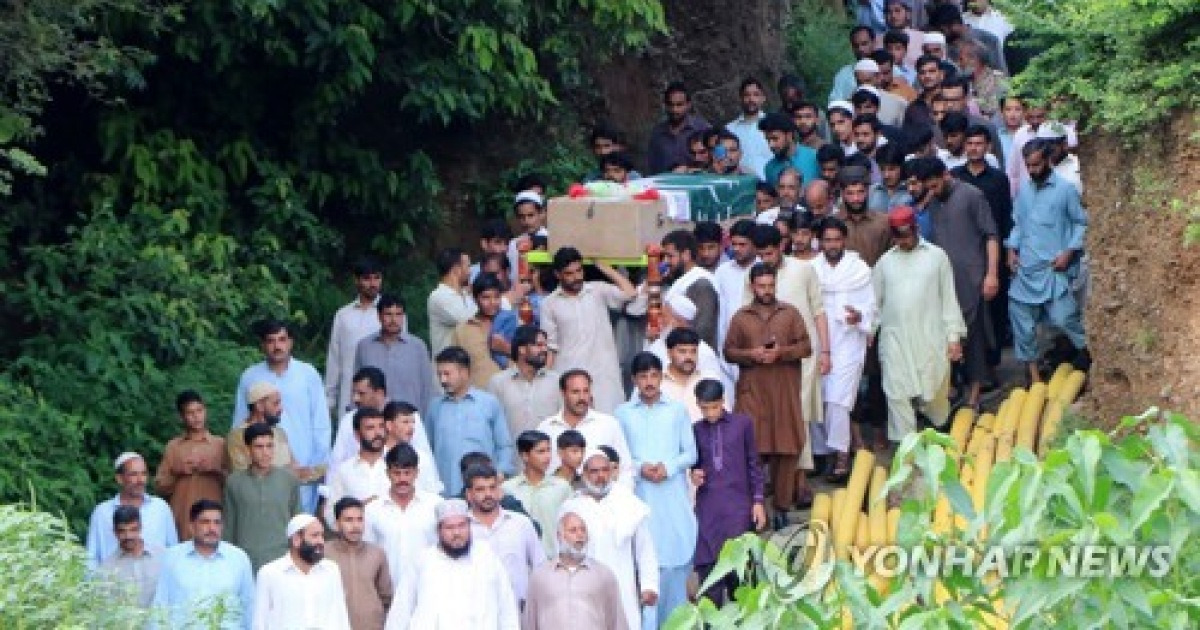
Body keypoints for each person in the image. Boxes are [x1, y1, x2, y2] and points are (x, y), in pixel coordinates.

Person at [724, 264, 812, 527]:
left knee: (786, 450)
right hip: (753, 393)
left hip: (784, 393)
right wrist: (751, 355)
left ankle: (782, 508)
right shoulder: (741, 317)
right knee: (752, 451)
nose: (766, 291)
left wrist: (781, 353)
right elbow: (728, 351)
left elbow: (806, 346)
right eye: (761, 286)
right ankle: (754, 508)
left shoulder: (790, 313)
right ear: (752, 286)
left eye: (770, 285)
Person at [615, 352, 697, 627]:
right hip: (640, 494)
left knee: (675, 561)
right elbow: (620, 456)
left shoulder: (677, 411)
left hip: (672, 495)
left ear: (661, 377)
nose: (649, 382)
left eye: (653, 375)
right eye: (643, 376)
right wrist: (640, 467)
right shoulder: (622, 414)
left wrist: (668, 467)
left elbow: (691, 453)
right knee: (644, 565)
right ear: (634, 380)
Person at [912, 157, 1000, 409]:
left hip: (972, 280)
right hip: (943, 283)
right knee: (947, 338)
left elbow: (991, 235)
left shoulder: (972, 196)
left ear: (946, 175)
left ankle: (974, 397)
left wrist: (991, 274)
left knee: (975, 339)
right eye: (927, 187)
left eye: (934, 185)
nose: (931, 191)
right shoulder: (933, 203)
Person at [873, 207, 967, 442]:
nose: (903, 241)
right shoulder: (884, 263)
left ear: (916, 229)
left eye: (906, 235)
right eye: (898, 237)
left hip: (930, 339)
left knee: (934, 395)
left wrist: (953, 337)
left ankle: (939, 433)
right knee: (897, 394)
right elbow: (873, 305)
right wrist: (866, 329)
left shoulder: (937, 257)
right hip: (895, 341)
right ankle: (905, 454)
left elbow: (948, 299)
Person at [1006, 141, 1091, 383]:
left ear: (1047, 161)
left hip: (1054, 269)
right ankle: (1034, 379)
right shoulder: (1024, 190)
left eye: (1036, 164)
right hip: (1026, 270)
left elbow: (1081, 223)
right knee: (1023, 326)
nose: (1032, 170)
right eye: (1028, 165)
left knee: (1066, 318)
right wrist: (1011, 248)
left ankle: (1092, 360)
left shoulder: (1065, 189)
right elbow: (1019, 225)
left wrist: (1068, 252)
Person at [230, 319, 329, 512]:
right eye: (271, 341)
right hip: (259, 470)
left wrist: (316, 465)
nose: (277, 346)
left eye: (282, 339)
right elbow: (240, 422)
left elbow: (321, 423)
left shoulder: (307, 374)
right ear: (263, 345)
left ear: (291, 342)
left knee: (300, 526)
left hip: (302, 463)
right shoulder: (250, 376)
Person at [559, 450, 658, 630]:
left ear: (612, 473)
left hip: (622, 586)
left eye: (605, 470)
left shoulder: (629, 504)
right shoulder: (571, 507)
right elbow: (562, 552)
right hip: (582, 587)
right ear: (584, 474)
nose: (601, 476)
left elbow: (645, 550)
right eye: (594, 471)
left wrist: (649, 586)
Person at [385, 499, 519, 630]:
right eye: (449, 527)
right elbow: (401, 610)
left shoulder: (487, 558)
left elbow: (506, 607)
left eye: (462, 525)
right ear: (438, 531)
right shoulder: (422, 561)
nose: (457, 533)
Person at [690, 379, 766, 605]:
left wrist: (759, 501)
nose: (710, 413)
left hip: (739, 508)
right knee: (709, 571)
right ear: (698, 405)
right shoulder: (696, 430)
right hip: (709, 508)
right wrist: (693, 474)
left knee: (741, 572)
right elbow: (694, 465)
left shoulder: (742, 424)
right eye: (705, 408)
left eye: (714, 407)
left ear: (723, 402)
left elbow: (754, 463)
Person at [811, 218, 877, 477]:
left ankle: (841, 454)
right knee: (819, 399)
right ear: (820, 242)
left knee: (838, 400)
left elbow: (871, 306)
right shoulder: (812, 269)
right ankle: (822, 453)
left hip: (849, 342)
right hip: (819, 341)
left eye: (837, 239)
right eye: (827, 240)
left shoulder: (859, 269)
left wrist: (859, 317)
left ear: (844, 241)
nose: (832, 245)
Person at [540, 247, 637, 413]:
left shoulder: (597, 290)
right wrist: (547, 380)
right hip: (570, 376)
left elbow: (630, 293)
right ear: (558, 274)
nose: (576, 277)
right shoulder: (550, 303)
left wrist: (603, 266)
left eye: (579, 271)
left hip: (604, 377)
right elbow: (550, 346)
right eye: (569, 273)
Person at [953, 125, 1015, 364]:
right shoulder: (955, 177)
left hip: (993, 250)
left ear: (988, 147)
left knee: (995, 306)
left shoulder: (999, 179)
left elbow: (1006, 216)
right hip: (965, 251)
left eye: (979, 144)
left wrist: (1008, 250)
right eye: (969, 144)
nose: (974, 148)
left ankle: (993, 360)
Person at [153, 499, 255, 630]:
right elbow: (160, 605)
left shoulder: (239, 558)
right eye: (205, 522)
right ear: (192, 526)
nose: (212, 528)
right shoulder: (172, 557)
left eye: (217, 523)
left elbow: (250, 606)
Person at [427, 346, 514, 496]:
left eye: (447, 374)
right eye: (439, 374)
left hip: (483, 492)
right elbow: (428, 450)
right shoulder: (435, 407)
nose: (443, 380)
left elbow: (504, 445)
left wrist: (501, 473)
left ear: (465, 372)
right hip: (446, 491)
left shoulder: (489, 403)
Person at [522, 512, 629, 630]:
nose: (580, 535)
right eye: (573, 530)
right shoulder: (540, 576)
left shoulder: (603, 575)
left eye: (583, 530)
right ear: (560, 536)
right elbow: (530, 621)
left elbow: (617, 621)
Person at [364, 443, 443, 589]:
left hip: (428, 589)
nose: (402, 479)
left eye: (407, 473)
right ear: (388, 473)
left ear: (416, 473)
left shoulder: (435, 505)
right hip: (387, 592)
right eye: (397, 473)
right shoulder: (372, 510)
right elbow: (367, 555)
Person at [223, 423, 300, 572]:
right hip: (244, 560)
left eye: (269, 446)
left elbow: (298, 523)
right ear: (248, 450)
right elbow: (229, 527)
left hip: (281, 560)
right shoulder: (234, 482)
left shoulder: (288, 479)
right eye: (259, 447)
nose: (266, 452)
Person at [464, 463, 544, 606]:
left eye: (492, 487)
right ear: (469, 494)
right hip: (475, 611)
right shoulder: (462, 528)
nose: (488, 494)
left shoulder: (521, 523)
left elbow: (541, 567)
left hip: (519, 610)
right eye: (480, 489)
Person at [253, 514, 351, 629]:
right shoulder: (269, 573)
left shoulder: (331, 570)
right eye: (315, 536)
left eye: (322, 536)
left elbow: (341, 616)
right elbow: (260, 622)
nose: (321, 541)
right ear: (296, 540)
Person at [86, 452, 177, 570]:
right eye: (133, 474)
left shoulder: (160, 508)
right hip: (114, 583)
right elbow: (91, 558)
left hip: (154, 584)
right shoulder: (102, 513)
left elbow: (173, 551)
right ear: (119, 478)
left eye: (144, 474)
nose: (140, 480)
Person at [156, 390, 227, 541]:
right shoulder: (174, 447)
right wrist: (178, 472)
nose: (196, 417)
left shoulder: (219, 444)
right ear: (182, 417)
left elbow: (233, 483)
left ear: (205, 411)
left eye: (199, 411)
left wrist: (214, 470)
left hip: (213, 515)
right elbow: (161, 486)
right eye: (190, 413)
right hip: (183, 515)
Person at [353, 294, 436, 419]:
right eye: (388, 314)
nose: (393, 319)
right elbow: (356, 388)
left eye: (398, 314)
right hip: (374, 422)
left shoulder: (418, 347)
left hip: (409, 423)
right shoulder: (364, 347)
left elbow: (427, 390)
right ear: (379, 316)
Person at [503, 431, 573, 558]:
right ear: (525, 456)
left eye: (548, 450)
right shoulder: (508, 489)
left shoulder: (561, 487)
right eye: (541, 452)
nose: (547, 457)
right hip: (520, 559)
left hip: (553, 559)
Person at [326, 498, 394, 630]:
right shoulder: (324, 554)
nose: (355, 526)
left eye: (359, 519)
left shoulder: (377, 554)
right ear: (337, 524)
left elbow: (386, 596)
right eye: (349, 520)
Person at [326, 258, 383, 415]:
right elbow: (334, 359)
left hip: (379, 397)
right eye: (367, 278)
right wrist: (329, 398)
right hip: (348, 395)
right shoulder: (343, 315)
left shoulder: (391, 314)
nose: (373, 284)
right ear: (356, 280)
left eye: (377, 277)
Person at [487, 325, 562, 440]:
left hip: (549, 455)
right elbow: (491, 425)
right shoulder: (498, 383)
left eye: (545, 345)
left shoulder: (556, 381)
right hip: (513, 456)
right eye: (539, 345)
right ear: (521, 349)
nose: (544, 350)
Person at [325, 407, 390, 526]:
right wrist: (357, 510)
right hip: (357, 542)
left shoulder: (398, 466)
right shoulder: (345, 470)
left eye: (381, 427)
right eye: (370, 428)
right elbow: (330, 515)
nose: (378, 433)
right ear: (357, 435)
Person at [660, 229, 719, 348]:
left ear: (686, 255)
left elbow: (703, 331)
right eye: (664, 256)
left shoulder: (702, 282)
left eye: (670, 256)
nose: (665, 262)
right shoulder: (680, 279)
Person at [98, 506, 162, 608]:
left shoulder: (162, 557)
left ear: (140, 528)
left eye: (133, 530)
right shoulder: (107, 568)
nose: (128, 536)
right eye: (122, 531)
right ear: (115, 532)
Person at [451, 273, 506, 388]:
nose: (492, 302)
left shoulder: (513, 324)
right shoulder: (463, 331)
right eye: (486, 297)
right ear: (475, 299)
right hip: (479, 398)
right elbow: (456, 367)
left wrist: (507, 348)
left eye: (496, 297)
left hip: (511, 396)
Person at [228, 381, 296, 472]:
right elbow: (242, 475)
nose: (281, 409)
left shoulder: (280, 432)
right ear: (259, 406)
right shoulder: (237, 436)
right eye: (276, 403)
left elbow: (294, 468)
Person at [647, 82, 711, 175]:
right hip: (667, 186)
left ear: (688, 105)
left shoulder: (702, 129)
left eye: (679, 105)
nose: (674, 110)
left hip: (697, 185)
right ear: (665, 105)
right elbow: (653, 167)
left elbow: (714, 162)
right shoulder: (657, 133)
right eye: (670, 105)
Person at [381, 401, 443, 494]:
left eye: (413, 422)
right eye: (405, 422)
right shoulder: (378, 457)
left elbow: (432, 493)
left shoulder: (422, 458)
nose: (411, 427)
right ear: (389, 425)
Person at [427, 248, 477, 357]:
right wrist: (506, 299)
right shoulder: (439, 296)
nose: (470, 271)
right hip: (447, 369)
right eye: (468, 266)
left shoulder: (465, 294)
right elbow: (470, 319)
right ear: (456, 270)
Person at [840, 167, 894, 266]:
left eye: (860, 192)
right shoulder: (834, 223)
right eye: (850, 193)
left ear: (868, 191)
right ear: (842, 194)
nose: (856, 199)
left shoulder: (884, 222)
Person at [725, 77, 772, 179]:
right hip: (739, 187)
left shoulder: (773, 126)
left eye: (756, 95)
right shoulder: (729, 129)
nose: (751, 99)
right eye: (747, 95)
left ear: (763, 98)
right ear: (740, 98)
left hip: (768, 188)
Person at [760, 112, 820, 187]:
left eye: (775, 139)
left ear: (789, 135)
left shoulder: (814, 158)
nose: (771, 145)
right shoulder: (770, 168)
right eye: (768, 140)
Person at [508, 190, 550, 287]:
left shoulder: (551, 239)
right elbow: (513, 276)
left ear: (542, 214)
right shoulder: (513, 244)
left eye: (531, 215)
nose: (526, 221)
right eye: (522, 217)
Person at [830, 26, 878, 102]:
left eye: (864, 44)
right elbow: (835, 102)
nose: (860, 49)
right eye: (856, 46)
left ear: (874, 42)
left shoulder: (888, 69)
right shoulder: (844, 74)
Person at [868, 142, 914, 213]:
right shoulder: (871, 191)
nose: (886, 175)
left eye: (891, 169)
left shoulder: (911, 191)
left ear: (901, 167)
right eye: (882, 169)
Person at [879, 0, 924, 68]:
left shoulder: (922, 38)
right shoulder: (877, 40)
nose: (893, 16)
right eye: (889, 12)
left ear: (908, 14)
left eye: (897, 11)